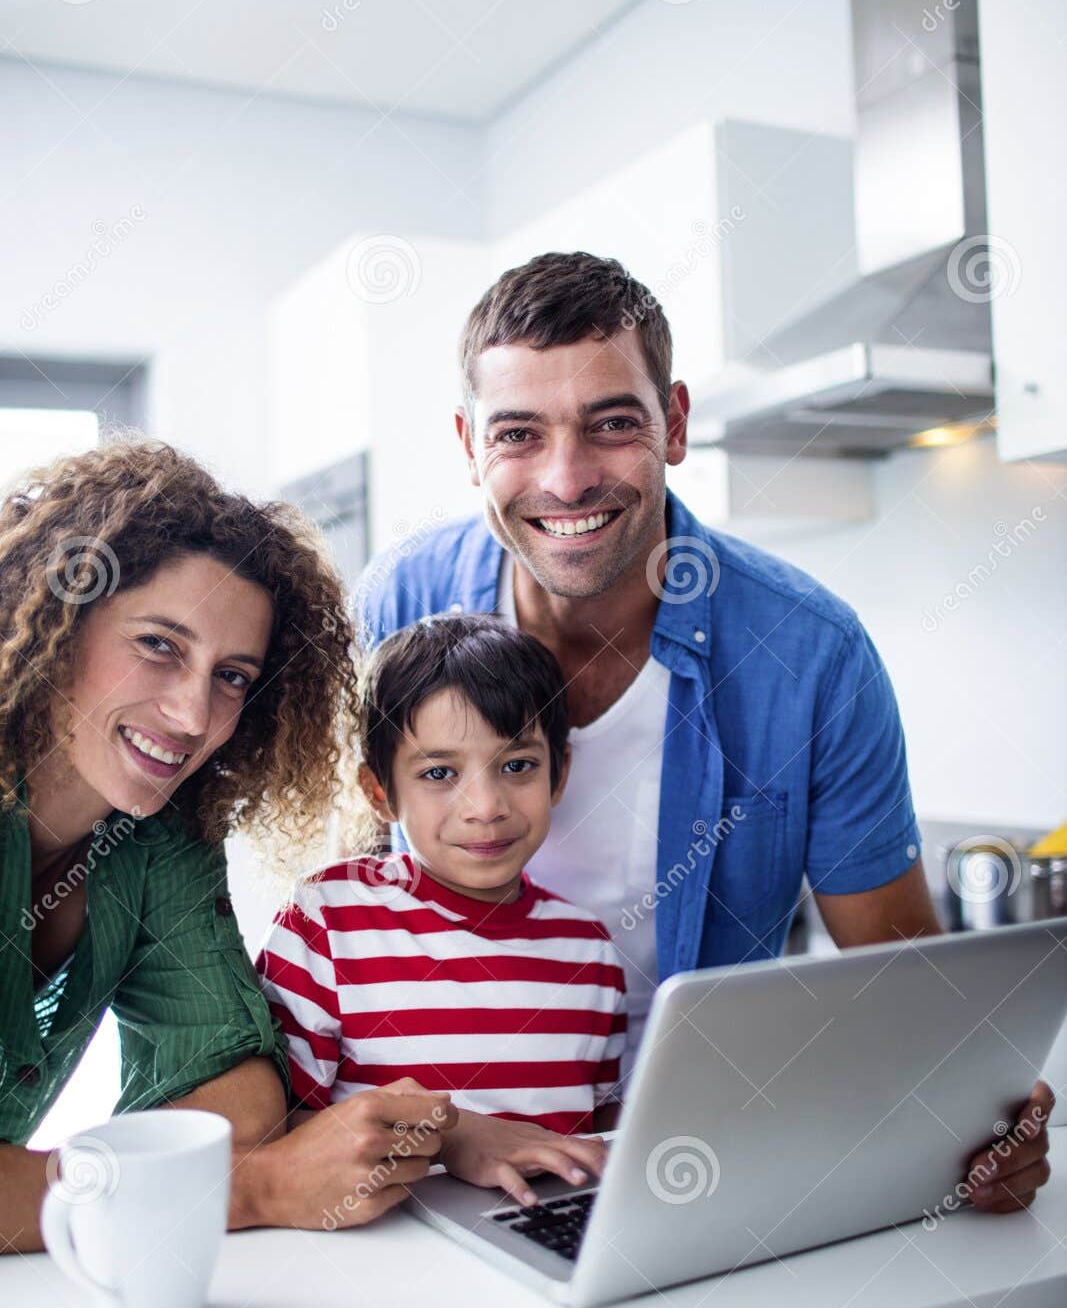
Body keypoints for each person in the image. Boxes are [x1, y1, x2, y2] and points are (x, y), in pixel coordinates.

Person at [357, 250, 1053, 1215]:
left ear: (674, 424)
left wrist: (975, 1118)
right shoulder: (396, 605)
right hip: (431, 1161)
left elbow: (900, 983)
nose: (566, 479)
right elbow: (340, 910)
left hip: (689, 1165)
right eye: (519, 433)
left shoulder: (807, 653)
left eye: (611, 424)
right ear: (469, 442)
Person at [0, 439, 456, 1254]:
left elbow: (240, 1100)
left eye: (232, 676)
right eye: (158, 645)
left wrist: (62, 1188)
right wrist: (253, 1187)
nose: (192, 715)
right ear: (59, 624)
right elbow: (241, 1156)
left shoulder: (155, 837)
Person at [257, 613, 624, 1208]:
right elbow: (272, 1140)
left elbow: (597, 1142)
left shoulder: (590, 952)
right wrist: (452, 1136)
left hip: (539, 1254)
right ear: (381, 793)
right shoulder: (324, 924)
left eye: (517, 766)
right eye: (439, 773)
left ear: (559, 774)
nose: (485, 806)